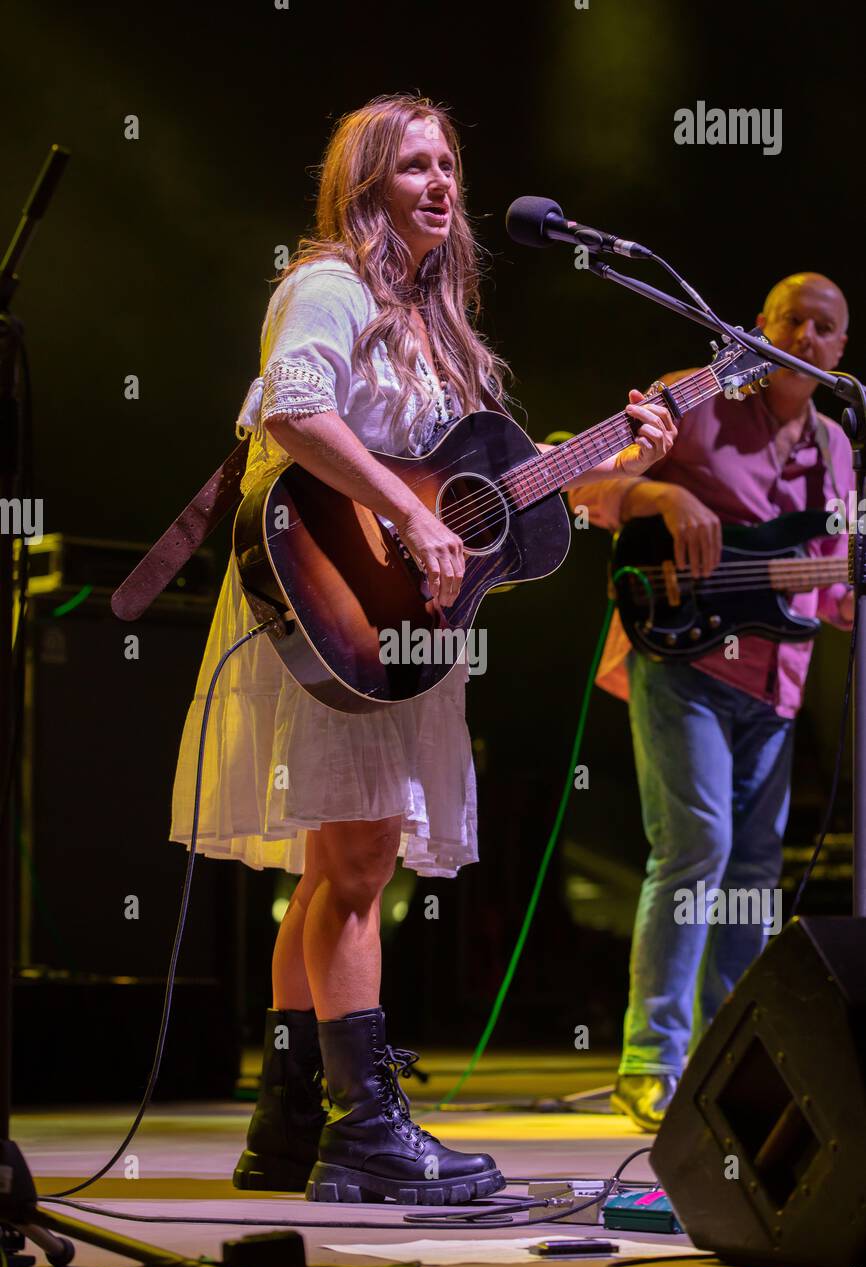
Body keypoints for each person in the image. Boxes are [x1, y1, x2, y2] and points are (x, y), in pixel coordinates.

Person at [169, 93, 677, 1202]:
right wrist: (406, 518)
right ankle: (367, 1132)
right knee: (354, 872)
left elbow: (502, 493)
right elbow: (294, 412)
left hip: (402, 621)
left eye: (448, 163)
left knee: (327, 875)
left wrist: (617, 455)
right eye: (412, 166)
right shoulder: (328, 286)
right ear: (363, 185)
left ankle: (290, 1123)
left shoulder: (444, 333)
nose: (440, 182)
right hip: (334, 596)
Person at [568, 272, 853, 1132]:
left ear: (843, 349)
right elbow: (584, 484)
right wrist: (661, 491)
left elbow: (835, 579)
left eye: (825, 327)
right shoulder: (694, 400)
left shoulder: (839, 447)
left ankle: (730, 1068)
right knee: (698, 846)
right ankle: (649, 1066)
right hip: (680, 657)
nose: (805, 335)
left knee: (755, 876)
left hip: (779, 678)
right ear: (756, 330)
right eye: (790, 320)